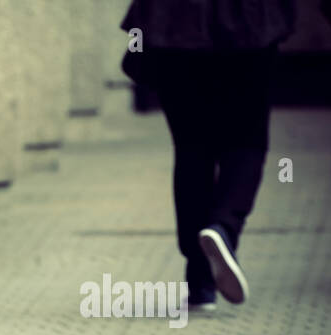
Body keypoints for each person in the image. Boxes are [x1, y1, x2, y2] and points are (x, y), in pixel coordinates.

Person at [120, 0, 305, 310]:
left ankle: (200, 281)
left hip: (173, 24)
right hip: (250, 25)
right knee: (247, 142)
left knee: (192, 148)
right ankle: (223, 226)